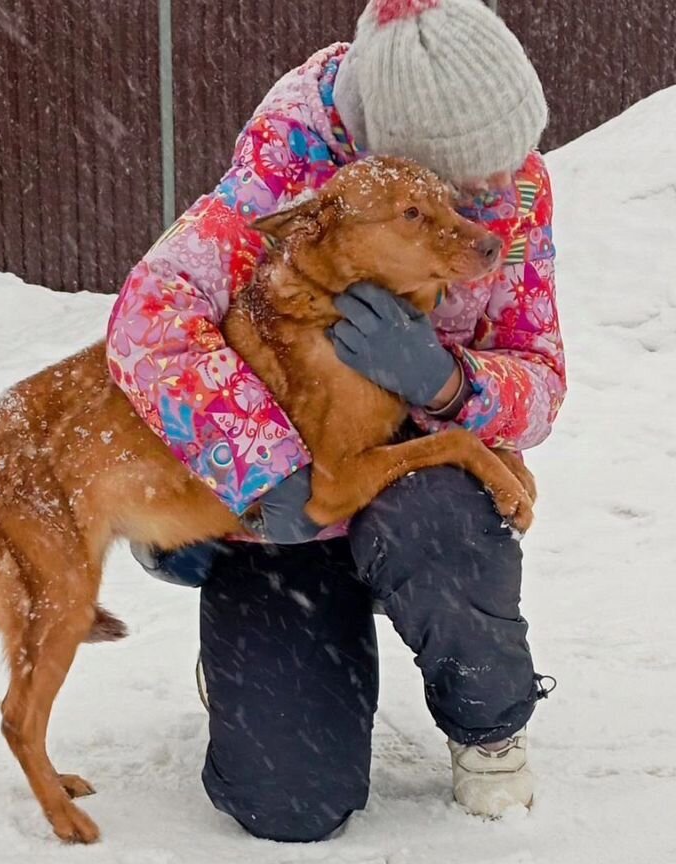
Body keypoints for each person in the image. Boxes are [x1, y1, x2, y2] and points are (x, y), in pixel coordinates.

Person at [106, 0, 565, 843]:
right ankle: (245, 633)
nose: (502, 191)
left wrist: (451, 381)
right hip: (288, 517)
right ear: (403, 158)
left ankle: (489, 726)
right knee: (287, 805)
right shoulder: (283, 177)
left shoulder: (517, 181)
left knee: (444, 520)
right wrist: (263, 468)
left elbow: (541, 372)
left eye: (511, 157)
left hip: (414, 478)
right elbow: (148, 320)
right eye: (469, 180)